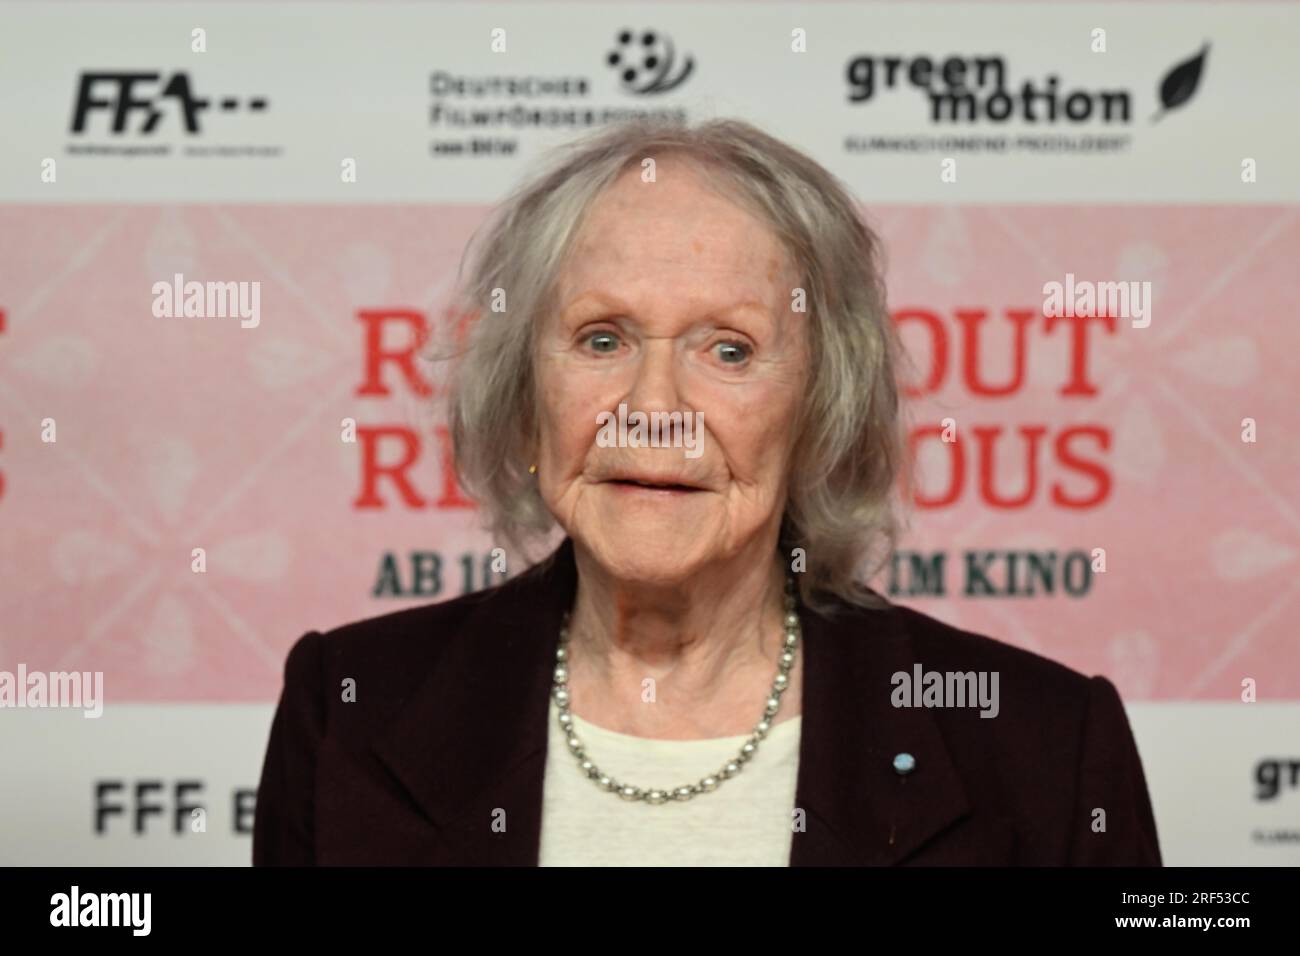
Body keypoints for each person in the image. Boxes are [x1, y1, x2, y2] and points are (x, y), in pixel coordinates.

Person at [252, 117, 1161, 866]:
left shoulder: (1045, 751)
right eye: (602, 340)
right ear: (527, 394)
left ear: (820, 405)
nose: (653, 410)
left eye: (729, 350)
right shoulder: (349, 706)